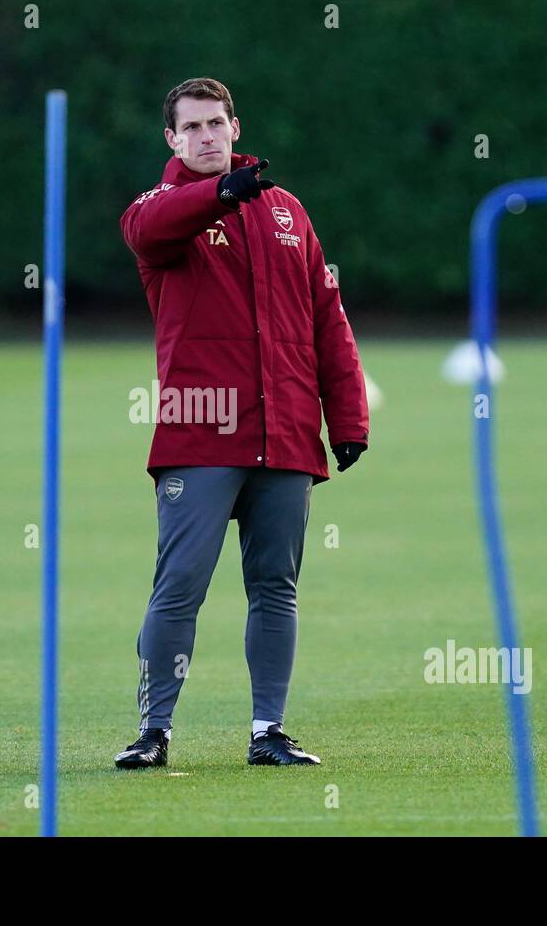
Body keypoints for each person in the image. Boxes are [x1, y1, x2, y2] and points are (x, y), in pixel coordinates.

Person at [116, 78, 369, 769]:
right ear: (171, 138)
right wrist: (218, 196)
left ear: (235, 126)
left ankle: (268, 731)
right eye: (191, 127)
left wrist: (346, 415)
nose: (205, 136)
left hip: (286, 431)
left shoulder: (286, 210)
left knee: (275, 588)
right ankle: (154, 730)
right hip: (199, 434)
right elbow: (151, 229)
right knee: (181, 585)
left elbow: (327, 318)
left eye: (215, 124)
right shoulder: (158, 208)